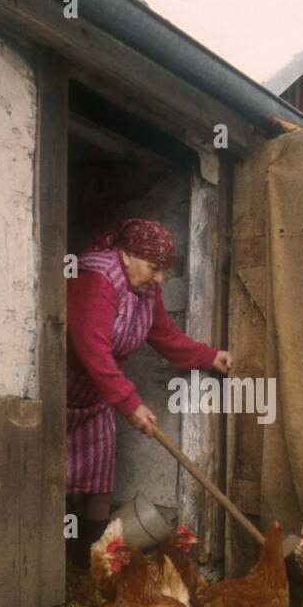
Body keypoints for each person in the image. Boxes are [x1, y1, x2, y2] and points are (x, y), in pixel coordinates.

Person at [66, 218, 232, 561]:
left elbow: (165, 335)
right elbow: (92, 348)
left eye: (163, 271)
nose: (159, 279)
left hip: (96, 395)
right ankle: (52, 560)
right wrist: (129, 403)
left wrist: (209, 356)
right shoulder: (96, 279)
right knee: (53, 476)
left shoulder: (144, 289)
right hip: (62, 391)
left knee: (98, 475)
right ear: (126, 255)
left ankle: (91, 559)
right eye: (154, 268)